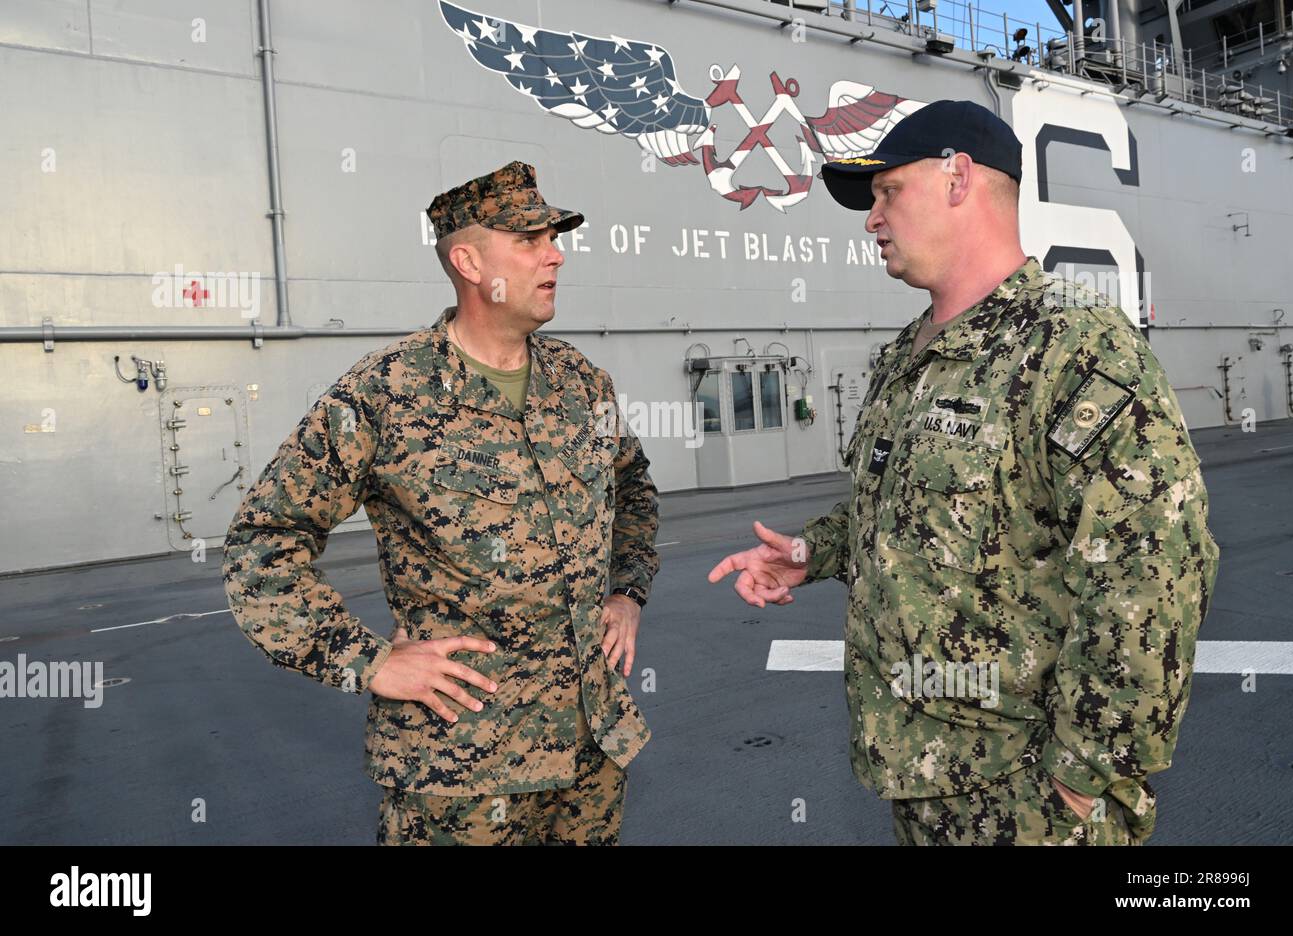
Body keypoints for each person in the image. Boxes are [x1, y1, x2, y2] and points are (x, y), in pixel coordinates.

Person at [707, 100, 1219, 845]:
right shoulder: (909, 354)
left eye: (889, 192)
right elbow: (908, 510)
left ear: (959, 179)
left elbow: (1154, 571)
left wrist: (1079, 780)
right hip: (919, 773)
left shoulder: (1072, 345)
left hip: (1026, 796)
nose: (872, 219)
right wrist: (813, 552)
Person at [222, 160, 660, 845]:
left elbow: (632, 488)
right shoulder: (386, 392)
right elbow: (263, 542)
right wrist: (369, 660)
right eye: (529, 240)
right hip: (461, 769)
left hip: (591, 748)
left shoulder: (581, 382)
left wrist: (626, 592)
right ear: (468, 262)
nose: (555, 255)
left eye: (554, 239)